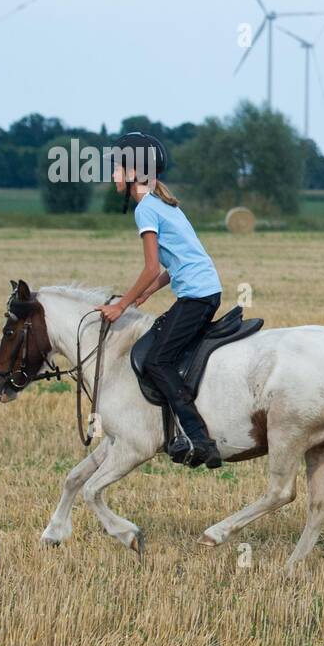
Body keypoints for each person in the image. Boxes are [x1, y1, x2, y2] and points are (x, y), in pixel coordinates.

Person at [98, 132, 224, 469]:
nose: (112, 175)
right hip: (202, 292)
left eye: (116, 168)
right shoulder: (162, 204)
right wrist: (148, 292)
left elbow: (152, 265)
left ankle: (198, 438)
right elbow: (175, 263)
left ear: (133, 172)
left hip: (197, 297)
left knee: (157, 361)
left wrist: (120, 305)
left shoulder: (146, 210)